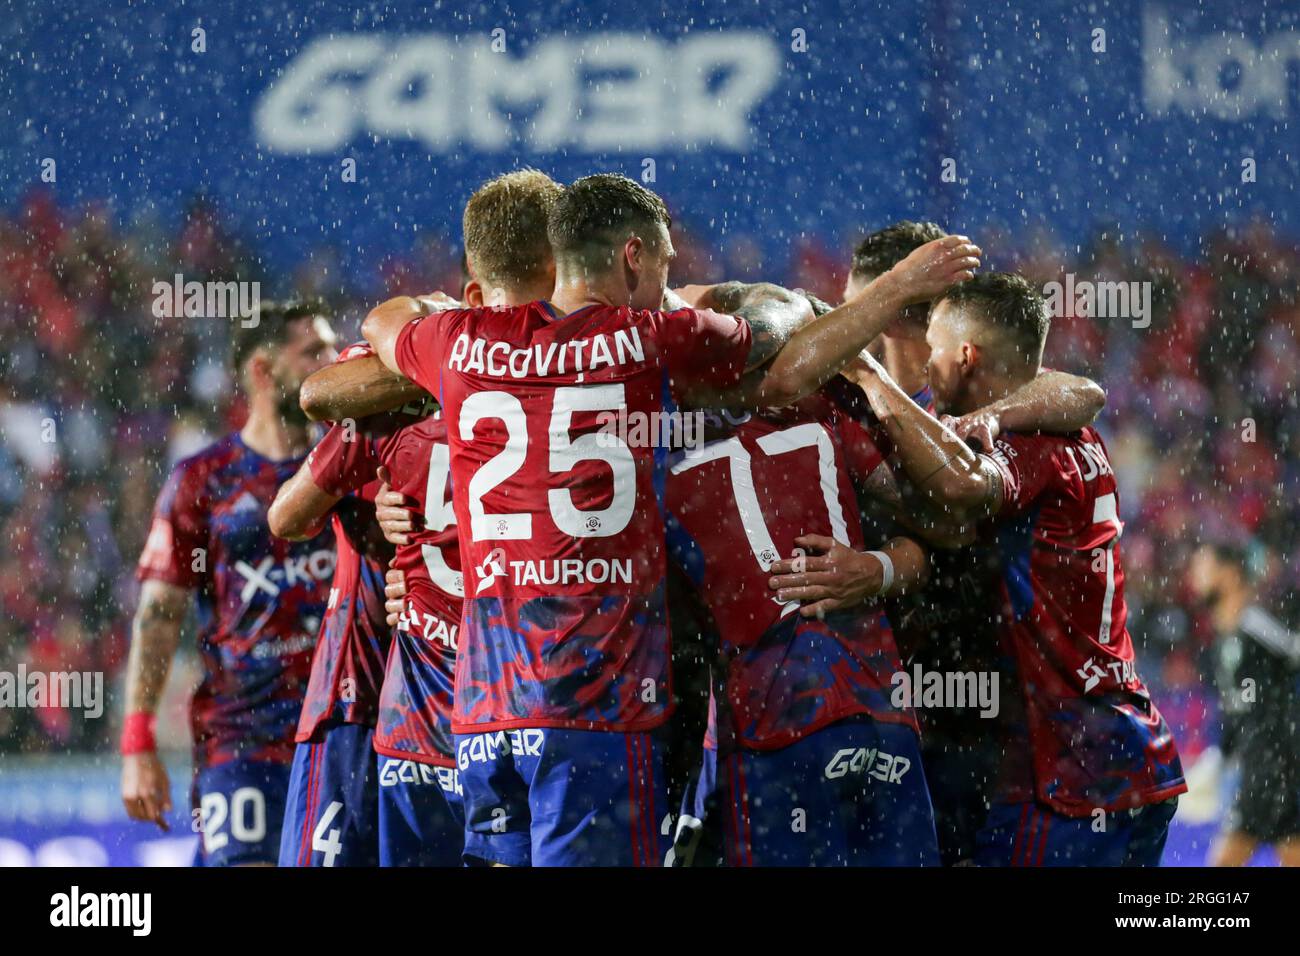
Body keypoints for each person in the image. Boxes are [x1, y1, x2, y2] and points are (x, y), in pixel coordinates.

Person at [361, 172, 981, 866]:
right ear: (633, 258)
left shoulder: (457, 341)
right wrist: (876, 293)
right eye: (664, 267)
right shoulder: (651, 339)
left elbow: (379, 329)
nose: (667, 283)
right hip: (591, 705)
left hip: (484, 710)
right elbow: (777, 355)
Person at [818, 273, 1186, 865]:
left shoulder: (1026, 446)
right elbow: (1083, 392)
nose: (926, 366)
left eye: (934, 348)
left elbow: (961, 493)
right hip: (1132, 751)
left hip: (1066, 772)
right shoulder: (1073, 429)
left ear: (966, 357)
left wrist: (867, 376)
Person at [275, 169, 564, 865]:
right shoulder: (577, 374)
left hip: (438, 696)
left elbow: (321, 399)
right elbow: (295, 492)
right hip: (456, 683)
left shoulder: (410, 389)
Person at [122, 301, 338, 865]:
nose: (333, 360)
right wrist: (137, 740)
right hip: (242, 740)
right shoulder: (202, 481)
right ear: (264, 372)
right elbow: (159, 615)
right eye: (313, 351)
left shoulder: (350, 463)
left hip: (339, 734)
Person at [1188, 539, 1300, 867]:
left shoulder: (1255, 626)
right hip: (1265, 769)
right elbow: (1240, 712)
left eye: (1204, 566)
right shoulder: (1224, 641)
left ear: (1231, 574)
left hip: (1275, 768)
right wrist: (1218, 758)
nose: (1195, 576)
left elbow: (1294, 652)